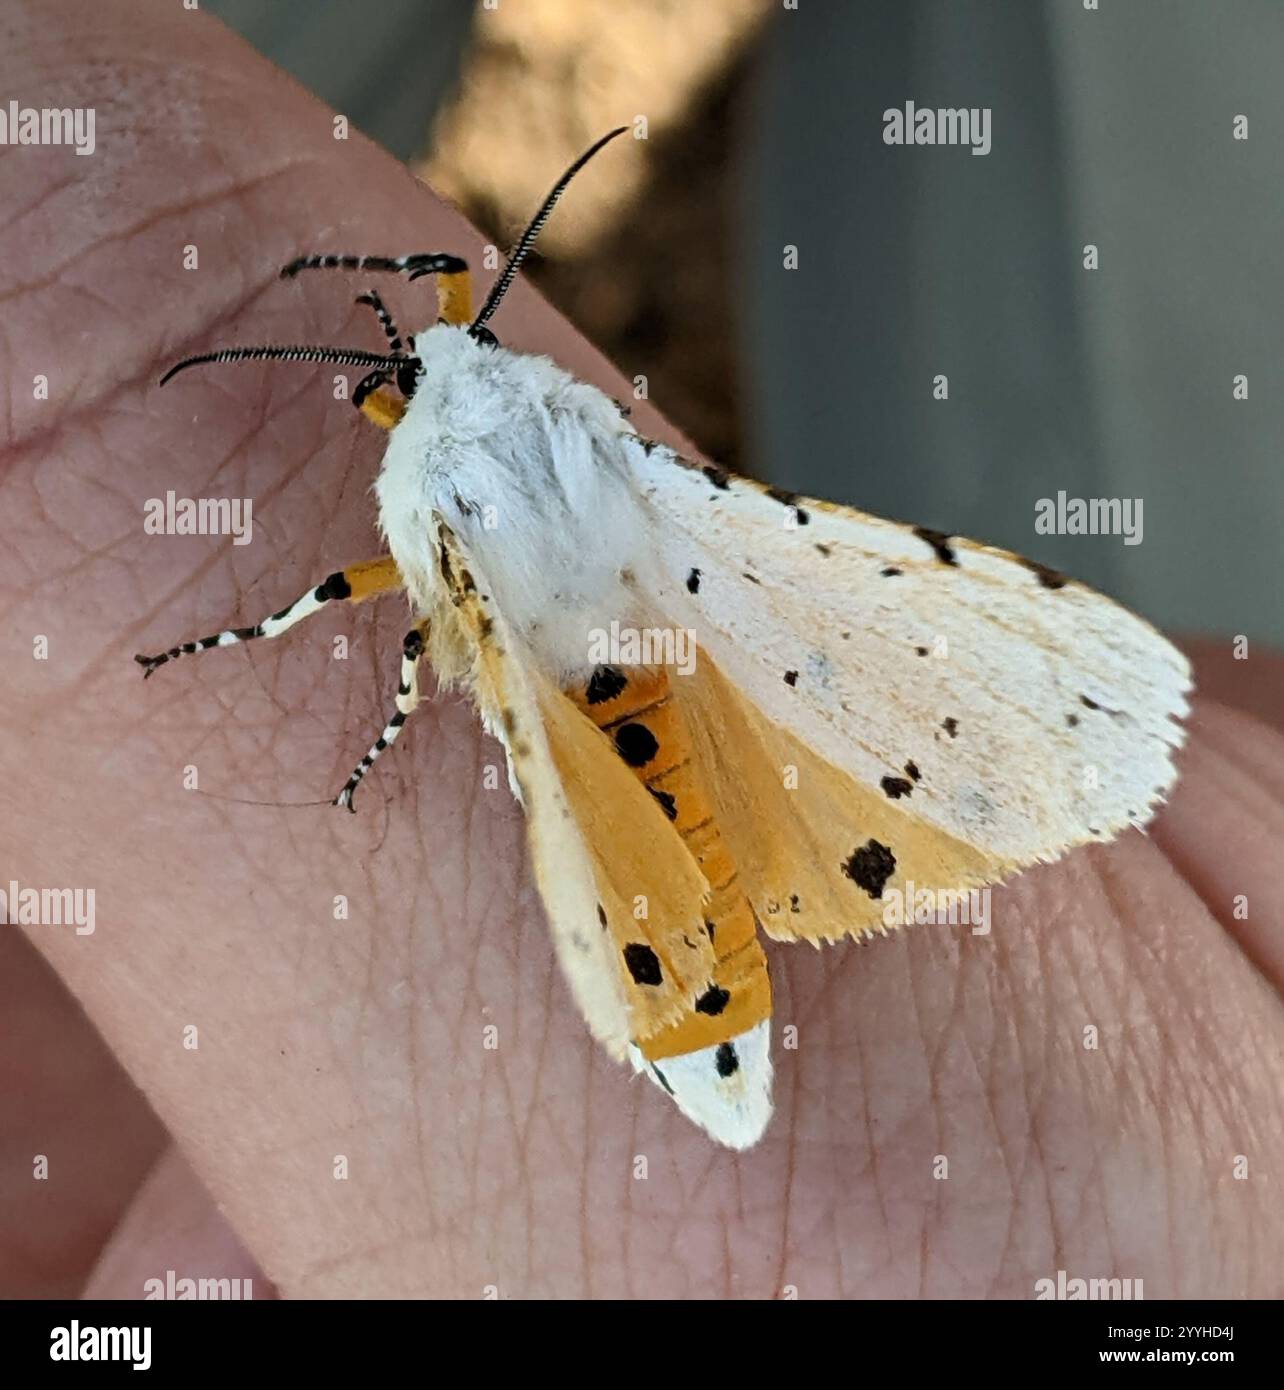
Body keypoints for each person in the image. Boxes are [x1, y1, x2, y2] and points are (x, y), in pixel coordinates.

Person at [3, 0, 1281, 1299]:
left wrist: (370, 707)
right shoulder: (554, 430)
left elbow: (397, 614)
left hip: (662, 938)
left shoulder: (419, 468)